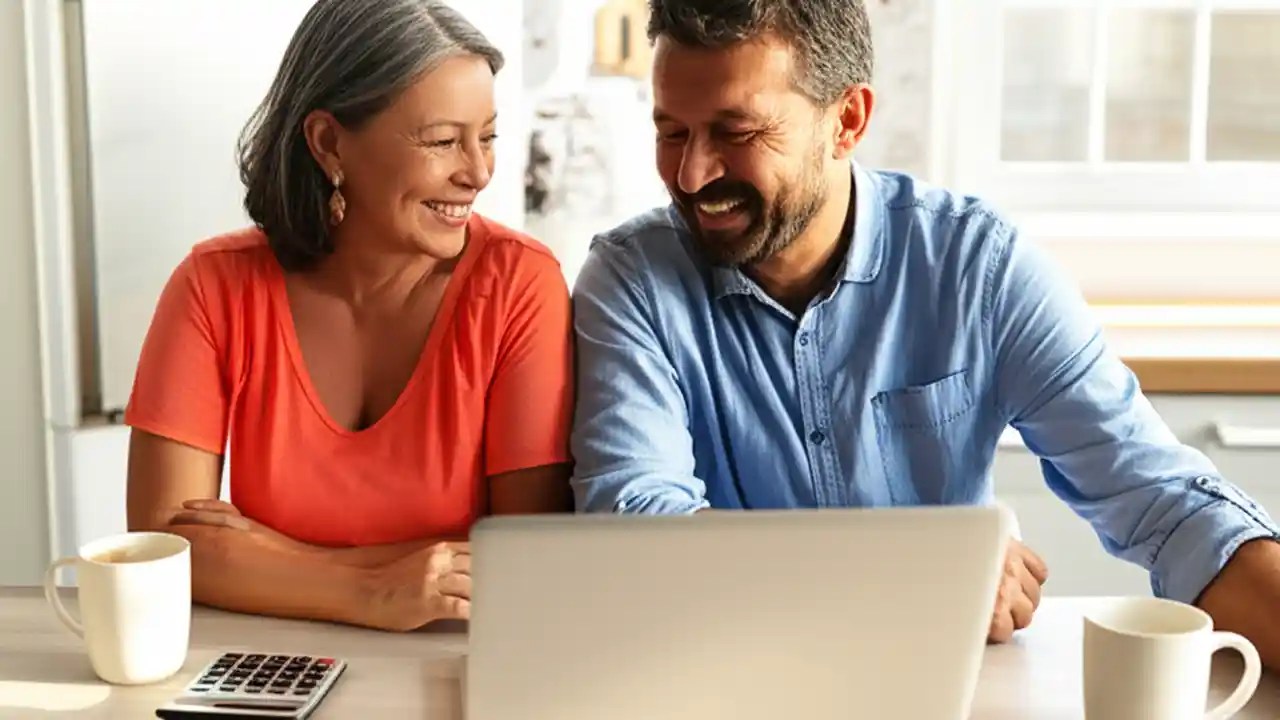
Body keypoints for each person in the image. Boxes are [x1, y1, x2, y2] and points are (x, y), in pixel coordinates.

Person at [570, 0, 1280, 665]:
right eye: (671, 132)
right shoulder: (630, 282)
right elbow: (636, 537)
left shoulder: (980, 270)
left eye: (736, 131)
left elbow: (1168, 503)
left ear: (847, 119)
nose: (692, 173)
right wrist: (923, 568)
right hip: (722, 679)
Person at [125, 0, 574, 632]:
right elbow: (160, 547)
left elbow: (530, 560)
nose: (478, 172)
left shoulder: (519, 284)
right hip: (270, 663)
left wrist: (272, 556)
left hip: (458, 664)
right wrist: (370, 592)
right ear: (330, 142)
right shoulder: (213, 285)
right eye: (443, 141)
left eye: (488, 137)